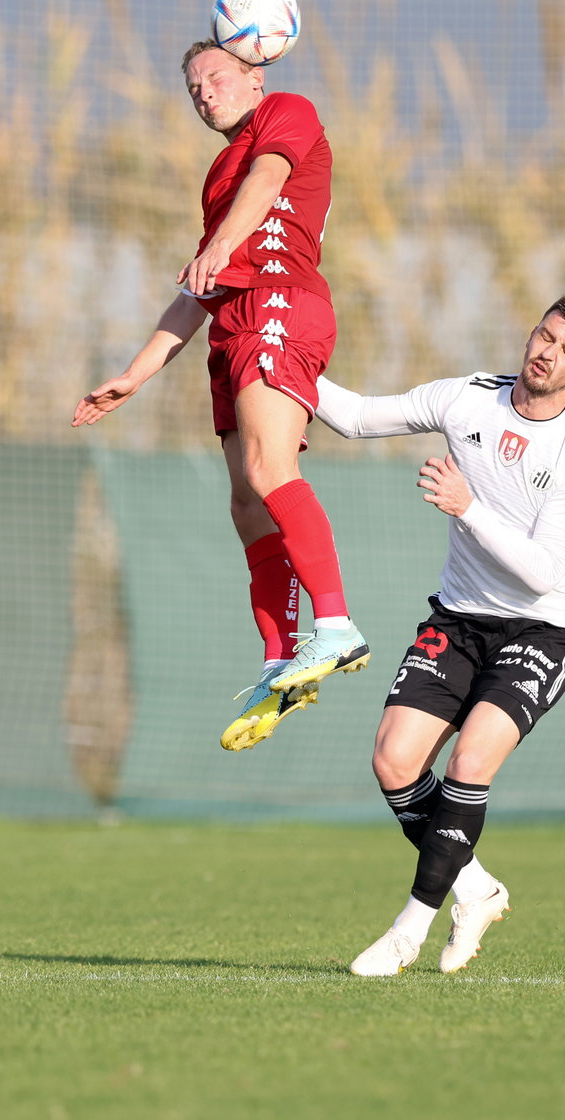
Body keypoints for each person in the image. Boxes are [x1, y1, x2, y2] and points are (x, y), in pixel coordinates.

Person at [72, 40, 369, 751]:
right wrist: (135, 374)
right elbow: (197, 291)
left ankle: (337, 626)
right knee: (245, 502)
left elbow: (269, 180)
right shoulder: (217, 174)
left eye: (215, 77)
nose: (204, 92)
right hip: (232, 324)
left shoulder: (287, 113)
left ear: (255, 74)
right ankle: (281, 659)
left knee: (272, 472)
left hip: (279, 301)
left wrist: (219, 247)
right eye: (193, 87)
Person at [313, 294, 565, 976]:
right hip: (459, 617)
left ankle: (407, 931)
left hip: (544, 626)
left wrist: (468, 506)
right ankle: (476, 888)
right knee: (394, 761)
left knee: (469, 765)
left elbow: (542, 571)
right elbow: (357, 418)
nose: (548, 353)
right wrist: (279, 359)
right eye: (546, 336)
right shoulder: (468, 397)